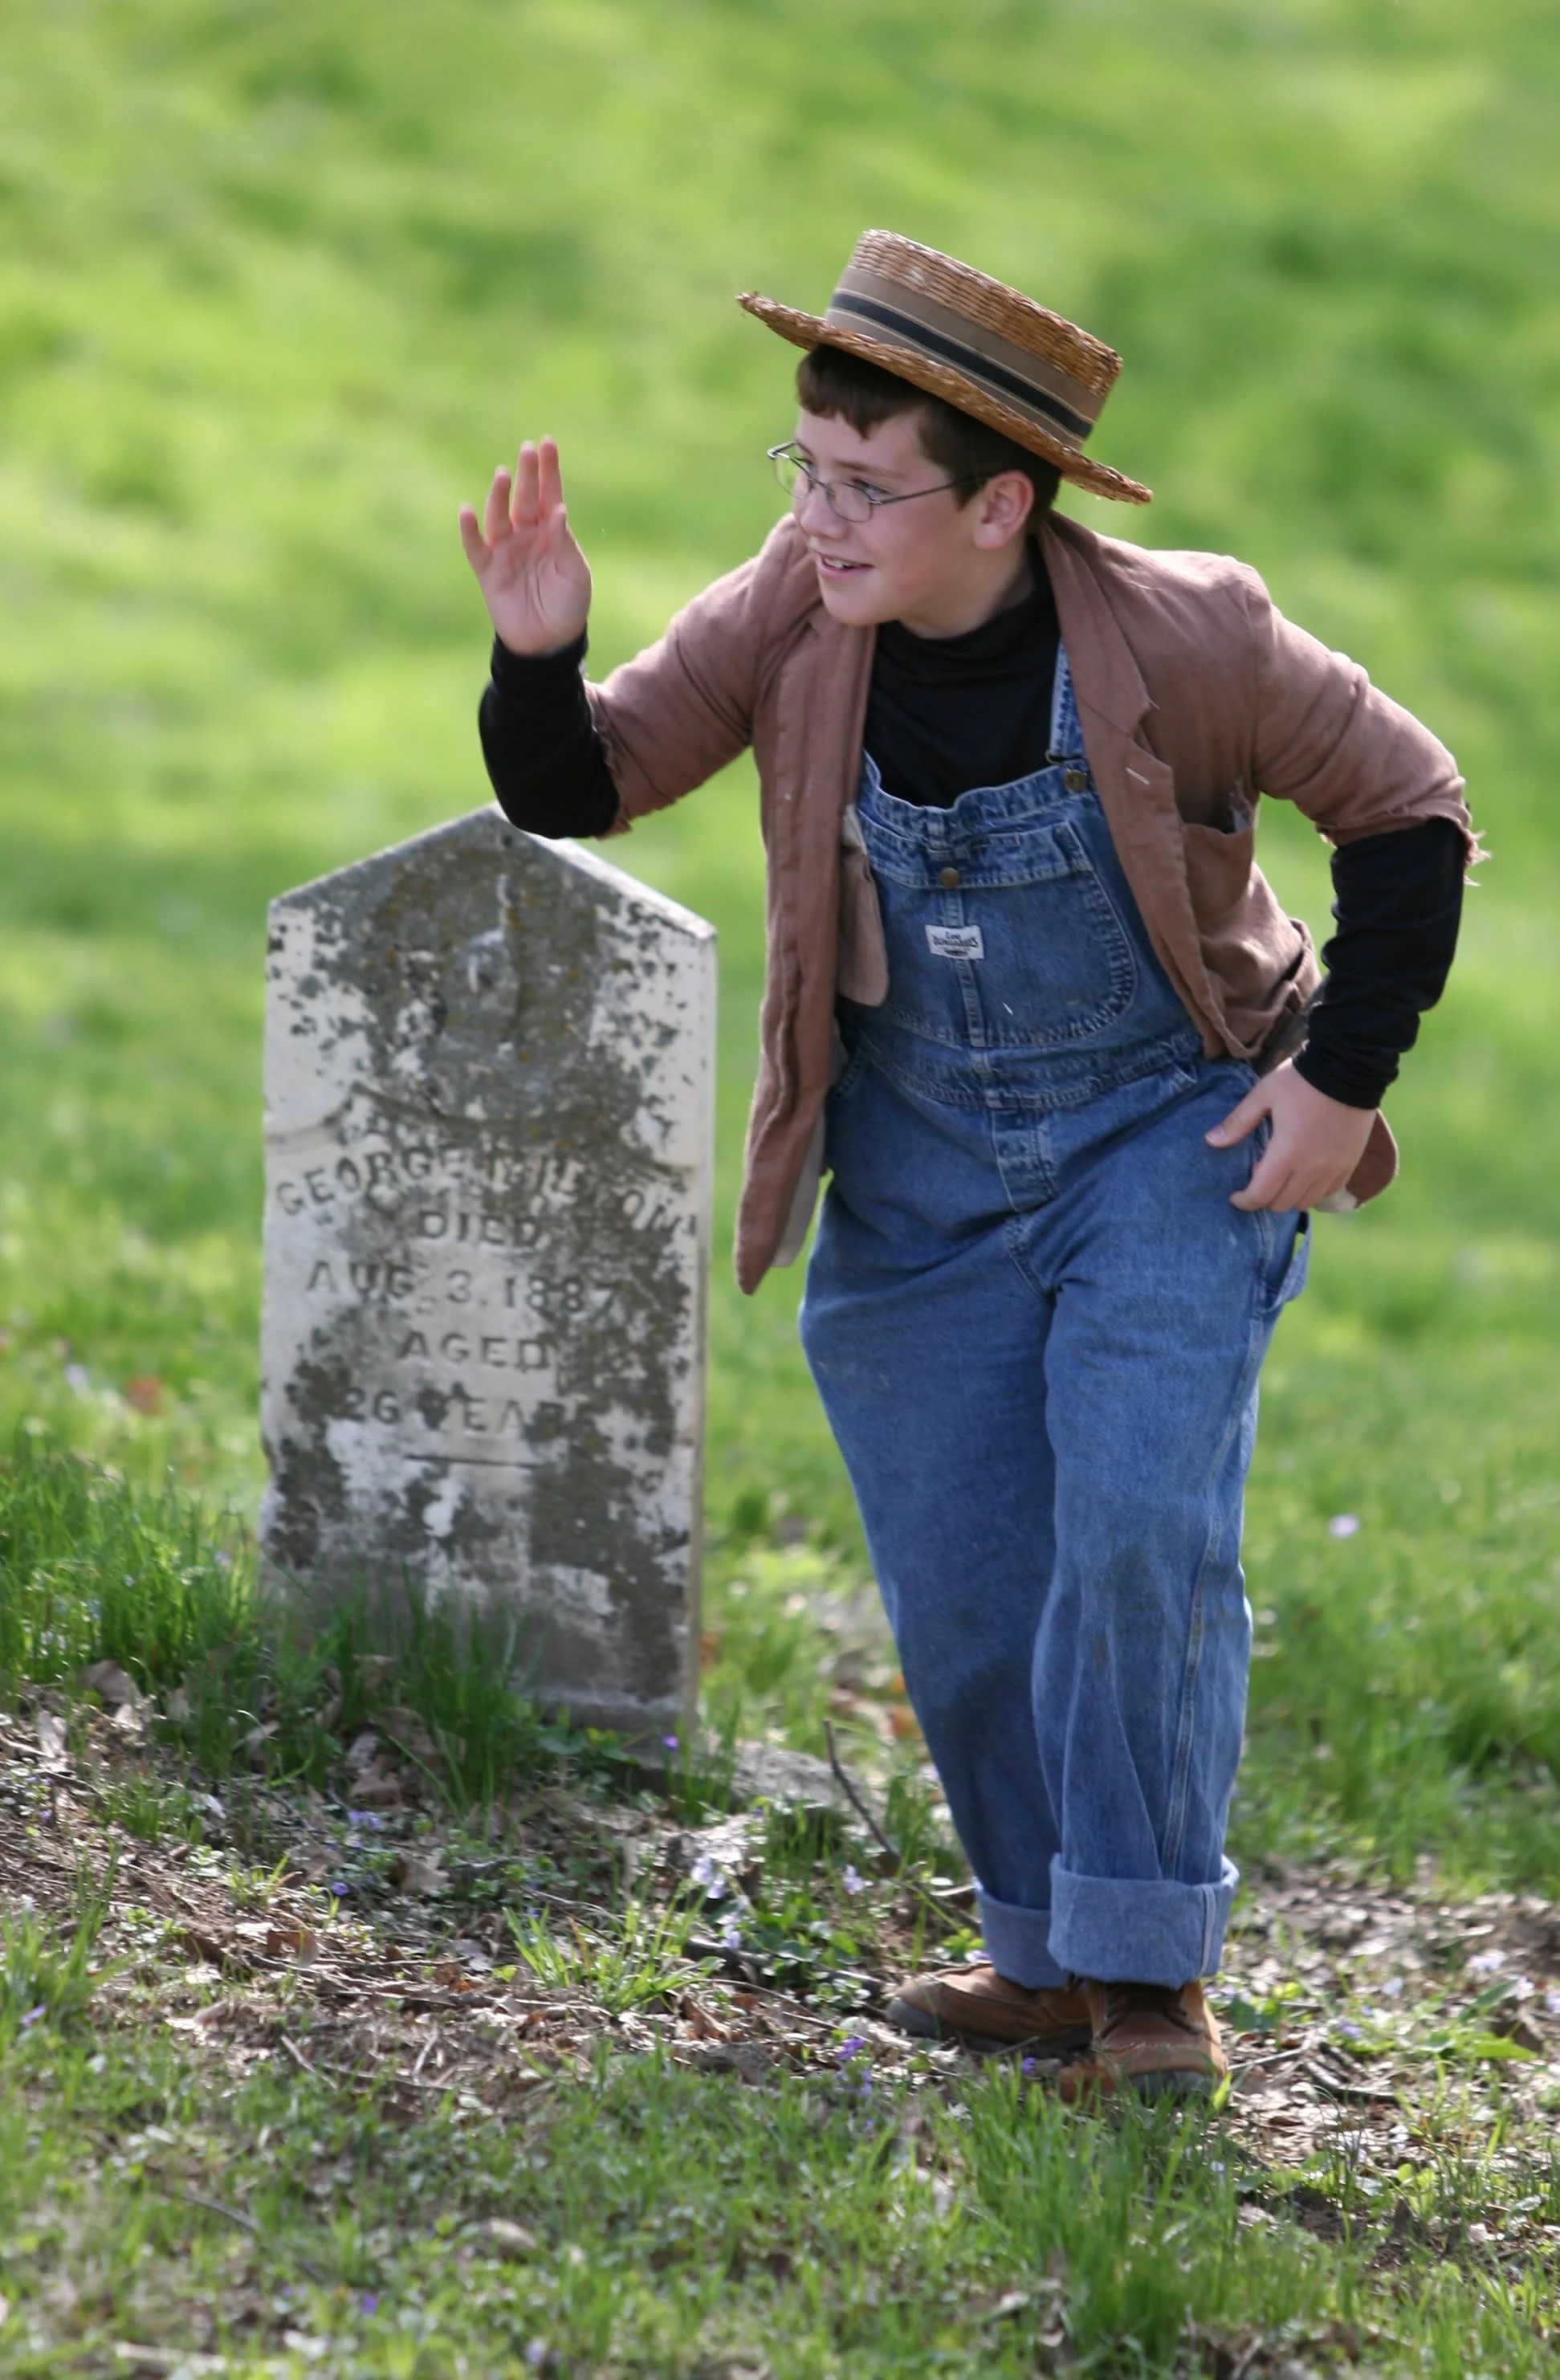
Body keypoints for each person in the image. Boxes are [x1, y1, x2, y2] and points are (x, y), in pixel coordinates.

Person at [459, 230, 1472, 2097]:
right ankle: (1043, 1958)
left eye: (866, 487)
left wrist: (1336, 1081)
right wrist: (539, 653)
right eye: (806, 473)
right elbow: (581, 783)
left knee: (1136, 1536)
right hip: (914, 1172)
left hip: (1165, 1145)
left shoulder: (1192, 633)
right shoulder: (790, 612)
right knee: (965, 1577)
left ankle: (1150, 1980)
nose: (822, 519)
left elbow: (1408, 814)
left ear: (1000, 504)